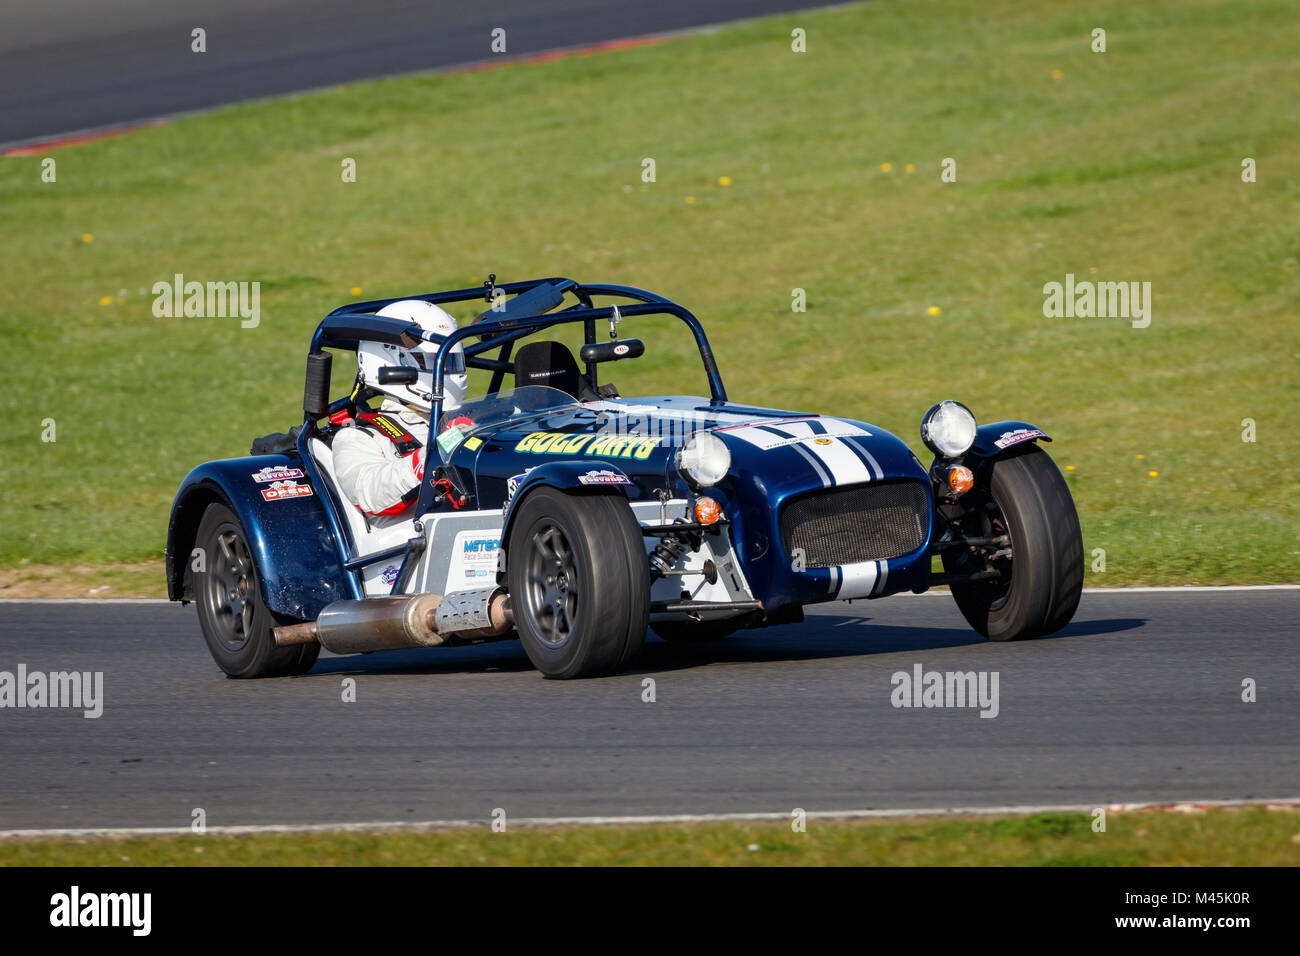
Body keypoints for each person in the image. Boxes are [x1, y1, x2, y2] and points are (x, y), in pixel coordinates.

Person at [332, 300, 467, 521]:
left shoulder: (459, 423)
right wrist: (430, 457)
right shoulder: (356, 436)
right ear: (387, 363)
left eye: (451, 362)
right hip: (406, 544)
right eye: (432, 362)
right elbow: (369, 493)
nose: (446, 372)